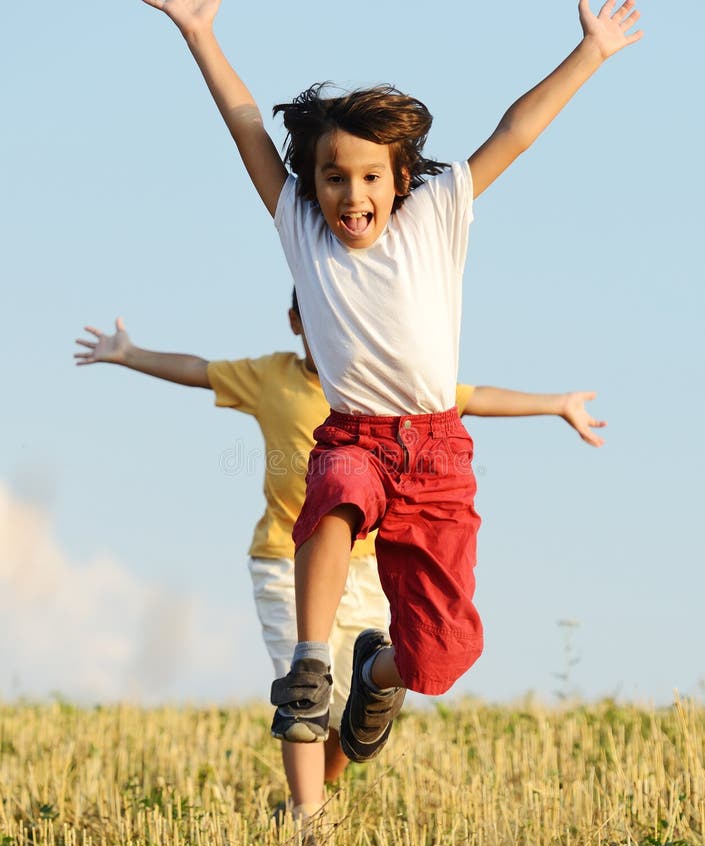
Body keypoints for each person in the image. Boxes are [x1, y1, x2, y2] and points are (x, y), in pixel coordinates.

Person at [137, 0, 638, 789]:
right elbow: (246, 129)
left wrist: (591, 52)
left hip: (437, 450)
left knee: (439, 657)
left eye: (369, 177)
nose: (349, 194)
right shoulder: (297, 223)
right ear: (312, 183)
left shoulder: (436, 214)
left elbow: (514, 132)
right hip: (355, 437)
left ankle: (374, 672)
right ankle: (310, 664)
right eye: (332, 177)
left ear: (402, 179)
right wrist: (201, 33)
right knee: (333, 489)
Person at [75, 298, 605, 821]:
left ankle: (315, 790)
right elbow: (198, 370)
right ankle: (307, 816)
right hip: (287, 559)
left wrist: (557, 403)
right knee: (304, 682)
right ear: (296, 322)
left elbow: (472, 397)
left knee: (353, 706)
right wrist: (130, 353)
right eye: (320, 320)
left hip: (370, 563)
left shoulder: (382, 386)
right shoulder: (269, 376)